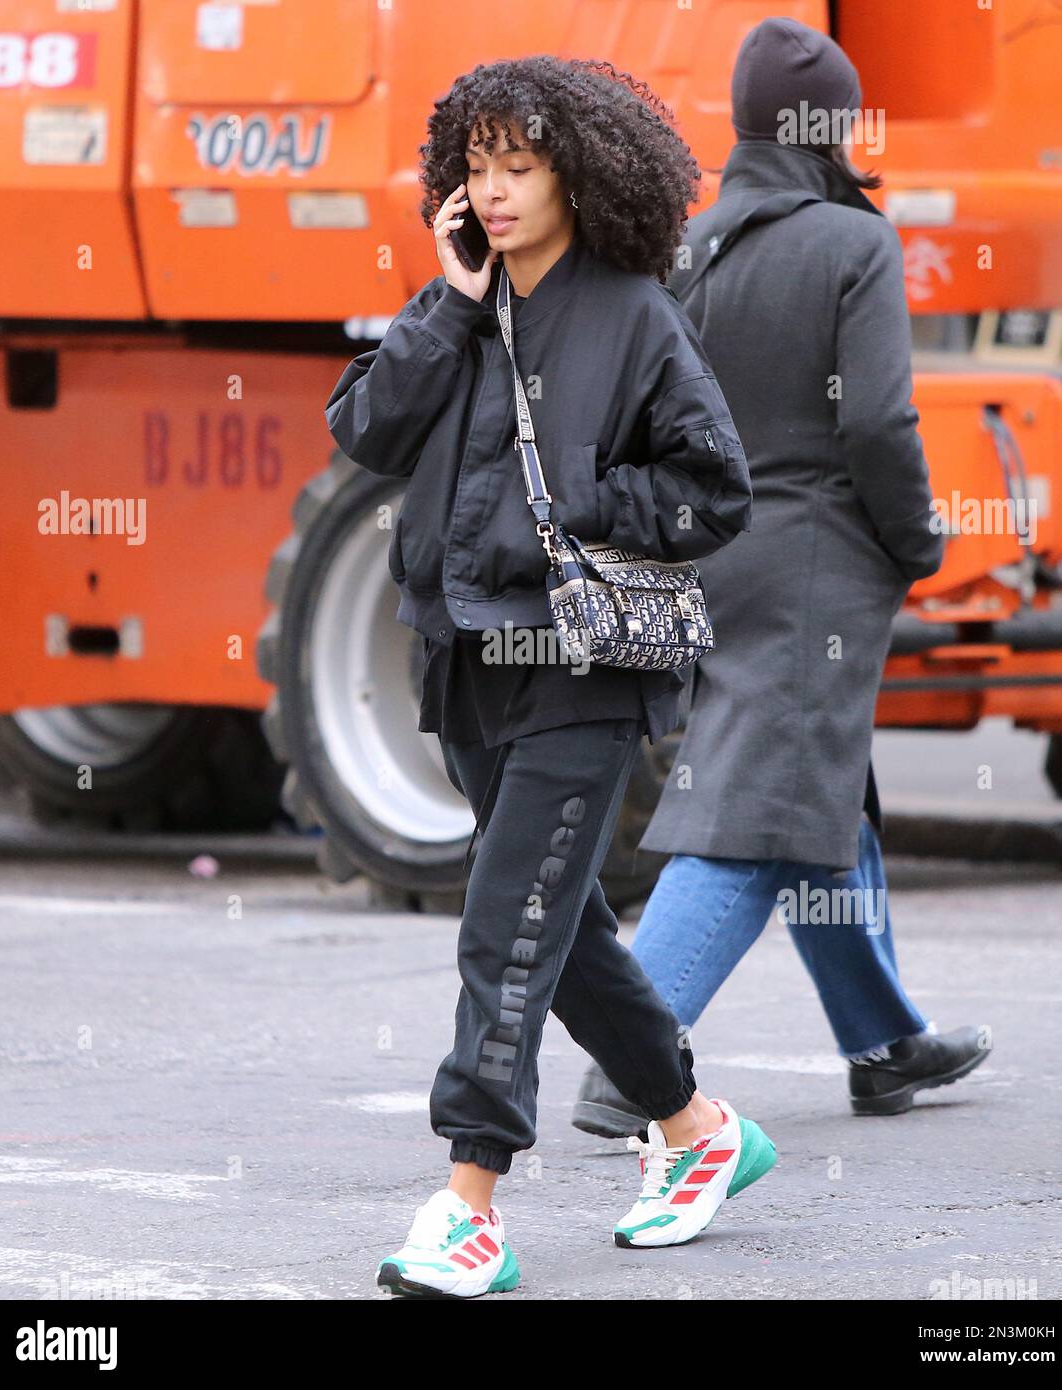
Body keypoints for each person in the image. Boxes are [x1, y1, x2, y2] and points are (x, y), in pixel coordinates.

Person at [324, 56, 772, 1299]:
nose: (497, 189)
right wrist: (448, 301)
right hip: (464, 663)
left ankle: (468, 1204)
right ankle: (694, 1133)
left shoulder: (633, 313)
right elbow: (361, 430)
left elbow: (713, 487)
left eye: (519, 166)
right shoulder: (461, 303)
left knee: (499, 925)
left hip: (582, 666)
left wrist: (584, 499)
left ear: (577, 172)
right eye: (477, 167)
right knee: (556, 928)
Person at [573, 18, 992, 1140]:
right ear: (834, 127)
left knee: (818, 789)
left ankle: (883, 1041)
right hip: (818, 570)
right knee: (755, 817)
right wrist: (913, 544)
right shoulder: (851, 246)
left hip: (717, 554)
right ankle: (632, 1059)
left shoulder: (696, 245)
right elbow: (880, 422)